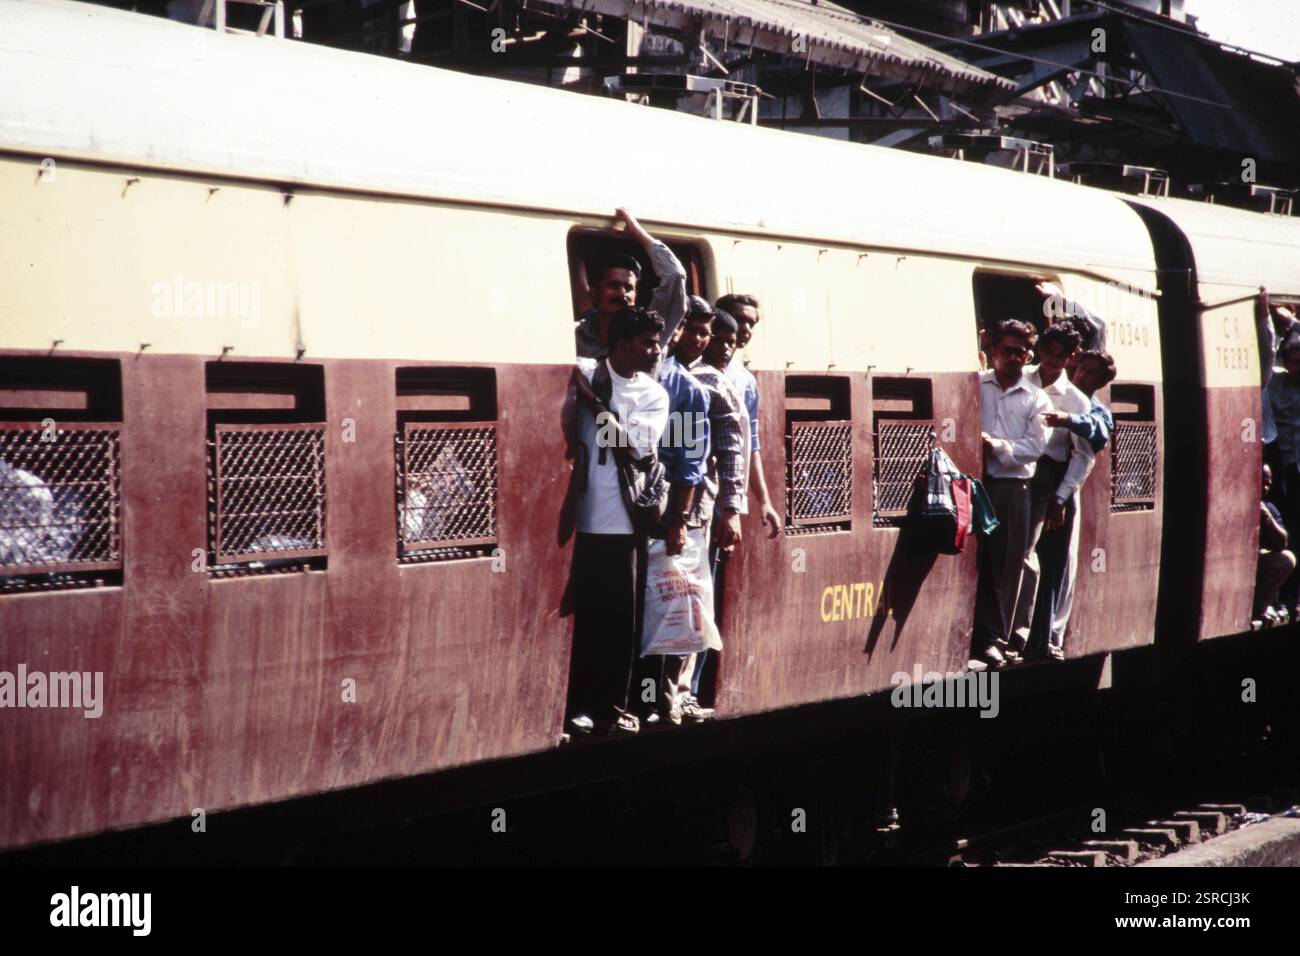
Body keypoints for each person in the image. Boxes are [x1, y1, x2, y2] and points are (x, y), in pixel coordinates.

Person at [567, 307, 670, 736]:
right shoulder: (585, 370)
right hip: (581, 520)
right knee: (583, 616)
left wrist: (592, 403)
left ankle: (612, 707)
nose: (655, 351)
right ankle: (578, 705)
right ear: (624, 343)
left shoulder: (653, 394)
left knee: (619, 621)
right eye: (647, 342)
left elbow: (629, 447)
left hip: (624, 523)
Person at [663, 308, 749, 723]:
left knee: (690, 603)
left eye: (705, 333)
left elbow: (734, 448)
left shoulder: (712, 382)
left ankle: (682, 694)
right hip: (652, 510)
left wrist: (732, 509)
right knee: (659, 601)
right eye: (692, 331)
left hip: (698, 509)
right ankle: (654, 695)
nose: (698, 339)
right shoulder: (657, 372)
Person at [1011, 324, 1096, 662]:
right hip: (1019, 472)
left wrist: (1061, 498)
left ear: (1071, 357)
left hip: (1053, 481)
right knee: (1016, 555)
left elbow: (1083, 455)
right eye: (1049, 353)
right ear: (1039, 350)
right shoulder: (1021, 379)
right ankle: (1013, 634)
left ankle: (1038, 640)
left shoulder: (1076, 400)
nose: (1053, 361)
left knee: (1049, 561)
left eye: (1061, 357)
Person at [972, 319, 1052, 669]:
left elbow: (1035, 447)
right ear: (992, 352)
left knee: (1006, 565)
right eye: (1009, 351)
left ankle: (992, 641)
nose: (1016, 358)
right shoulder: (976, 386)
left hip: (1010, 486)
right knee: (973, 561)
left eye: (1023, 352)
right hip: (974, 483)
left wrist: (997, 446)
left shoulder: (1037, 398)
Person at [1044, 347, 1117, 649]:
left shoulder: (1093, 407)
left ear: (1101, 381)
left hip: (1065, 489)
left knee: (1063, 561)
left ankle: (1053, 633)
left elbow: (1098, 431)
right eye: (1081, 368)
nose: (1082, 375)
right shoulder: (1054, 390)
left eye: (1091, 373)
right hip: (1041, 485)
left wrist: (1068, 420)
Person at [576, 208, 686, 361]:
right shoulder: (576, 335)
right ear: (594, 293)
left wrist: (639, 233)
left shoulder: (649, 330)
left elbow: (674, 275)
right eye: (613, 286)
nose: (622, 294)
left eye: (628, 288)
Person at [715, 294, 781, 538]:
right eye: (739, 319)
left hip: (726, 494)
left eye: (751, 323)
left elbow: (750, 443)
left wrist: (764, 500)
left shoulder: (745, 381)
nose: (745, 328)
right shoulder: (684, 372)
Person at [1266, 333, 1300, 617]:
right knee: (1285, 529)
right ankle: (1283, 597)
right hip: (1285, 467)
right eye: (1294, 362)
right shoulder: (1276, 384)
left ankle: (1295, 597)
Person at [1255, 464, 1295, 627]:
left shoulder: (1268, 507)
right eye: (1262, 482)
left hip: (1259, 568)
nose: (1265, 487)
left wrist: (1265, 515)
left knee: (1286, 559)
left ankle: (1259, 608)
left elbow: (1282, 542)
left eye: (1268, 483)